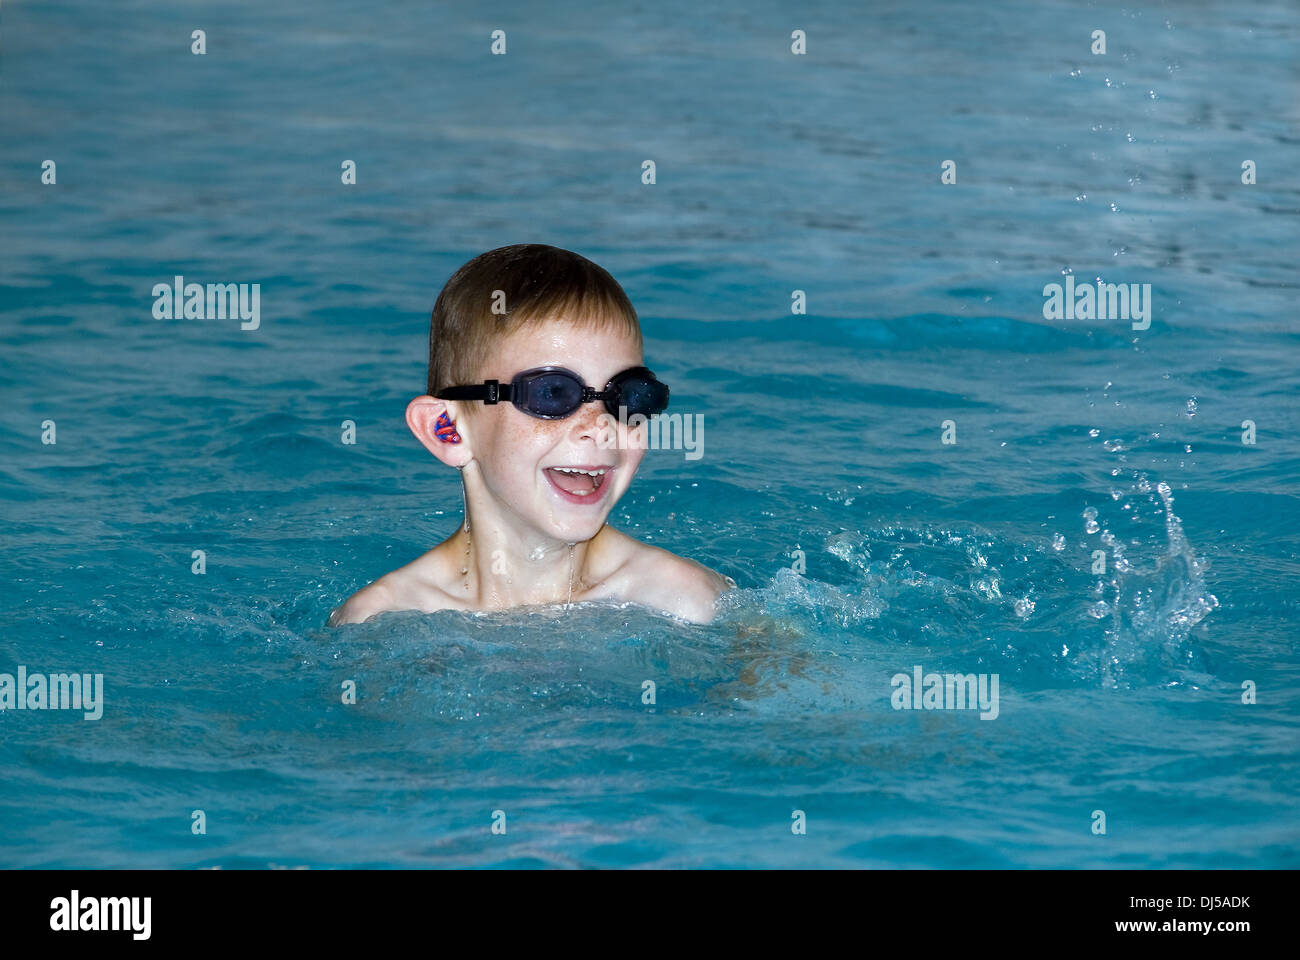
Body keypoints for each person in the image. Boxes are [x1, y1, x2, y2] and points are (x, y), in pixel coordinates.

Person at [329, 244, 733, 626]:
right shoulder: (383, 617)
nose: (602, 426)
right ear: (448, 430)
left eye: (627, 396)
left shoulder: (685, 601)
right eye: (553, 393)